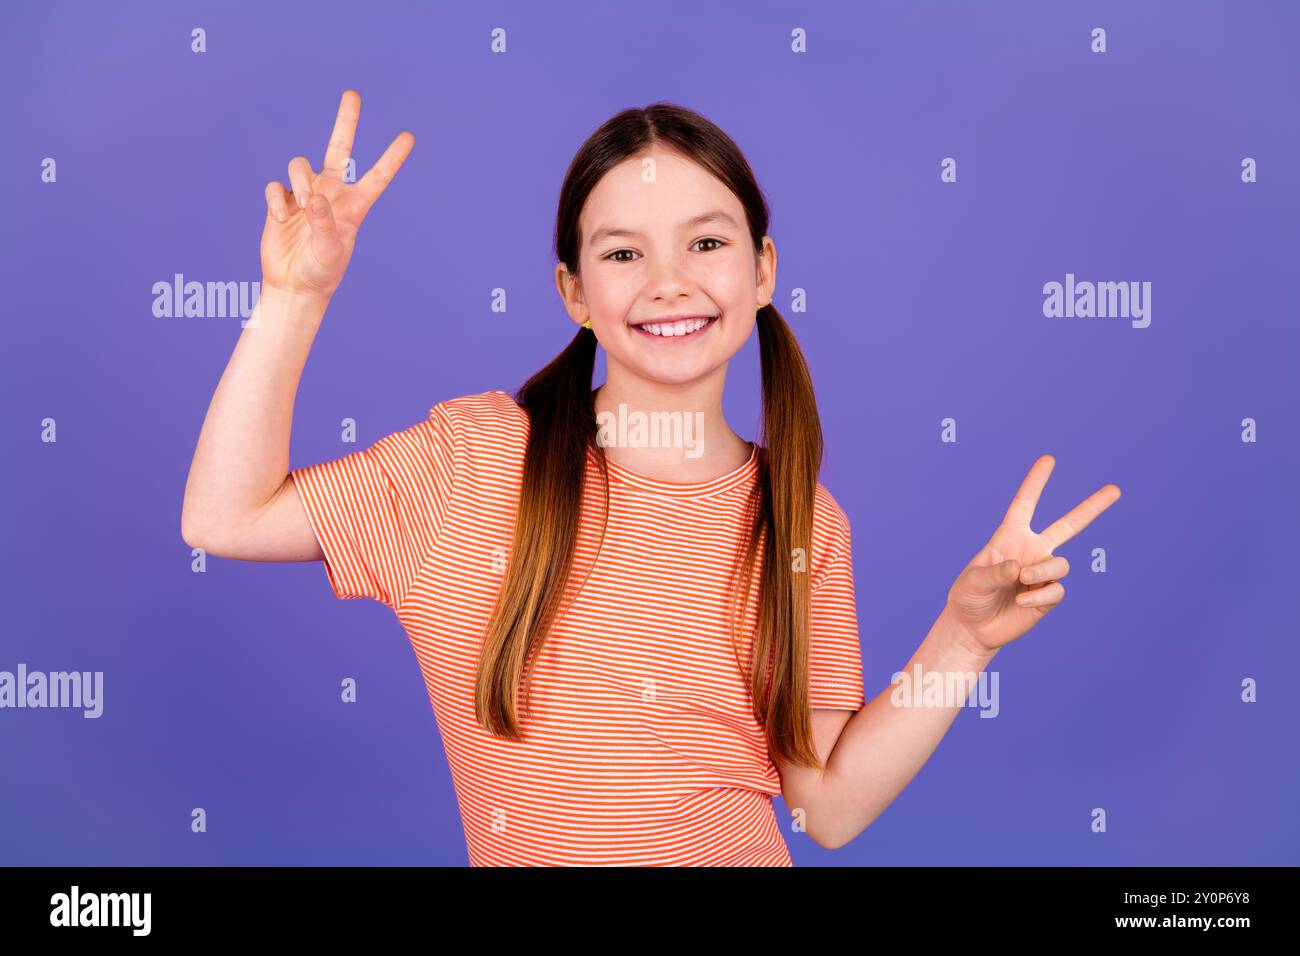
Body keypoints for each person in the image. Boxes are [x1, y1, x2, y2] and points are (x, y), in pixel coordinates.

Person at [181, 89, 1121, 866]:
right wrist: (293, 297)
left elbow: (828, 806)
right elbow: (227, 515)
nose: (668, 282)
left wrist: (962, 639)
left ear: (762, 271)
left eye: (706, 244)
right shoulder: (470, 463)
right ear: (574, 294)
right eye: (623, 253)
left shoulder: (801, 521)